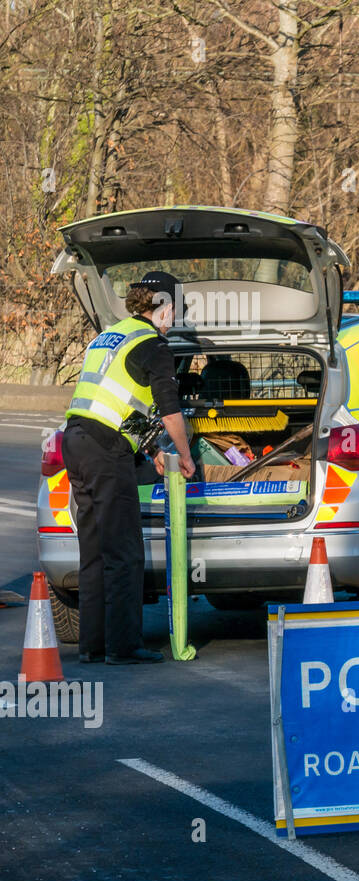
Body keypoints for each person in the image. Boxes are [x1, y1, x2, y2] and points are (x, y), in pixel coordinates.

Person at [63, 270, 196, 665]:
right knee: (124, 550)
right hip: (105, 450)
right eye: (176, 308)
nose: (175, 317)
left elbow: (122, 403)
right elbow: (168, 408)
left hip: (75, 439)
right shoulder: (154, 345)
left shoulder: (112, 334)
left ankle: (94, 645)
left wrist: (151, 446)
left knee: (95, 550)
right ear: (164, 307)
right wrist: (184, 454)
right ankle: (123, 647)